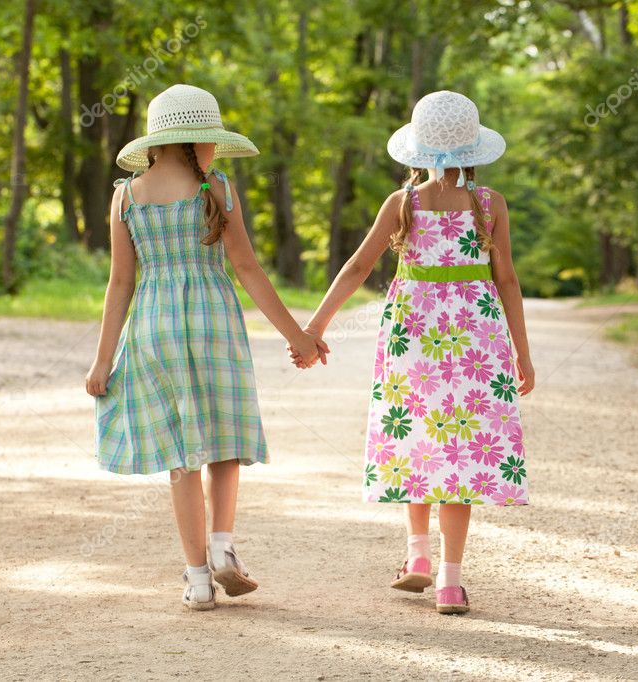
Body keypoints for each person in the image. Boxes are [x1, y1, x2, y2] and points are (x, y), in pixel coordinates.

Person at [85, 84, 327, 611]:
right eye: (211, 140)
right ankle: (223, 547)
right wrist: (298, 336)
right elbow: (247, 269)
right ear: (196, 142)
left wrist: (103, 359)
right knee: (224, 440)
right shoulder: (216, 189)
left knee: (181, 456)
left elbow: (120, 284)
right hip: (214, 323)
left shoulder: (127, 196)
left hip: (154, 330)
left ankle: (197, 580)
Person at [296, 90, 534, 615]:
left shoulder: (404, 203)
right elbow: (508, 279)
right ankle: (450, 583)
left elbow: (358, 268)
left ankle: (417, 558)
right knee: (461, 453)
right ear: (473, 149)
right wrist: (523, 352)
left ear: (418, 151)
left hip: (414, 334)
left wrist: (315, 326)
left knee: (420, 441)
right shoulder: (490, 204)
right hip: (476, 337)